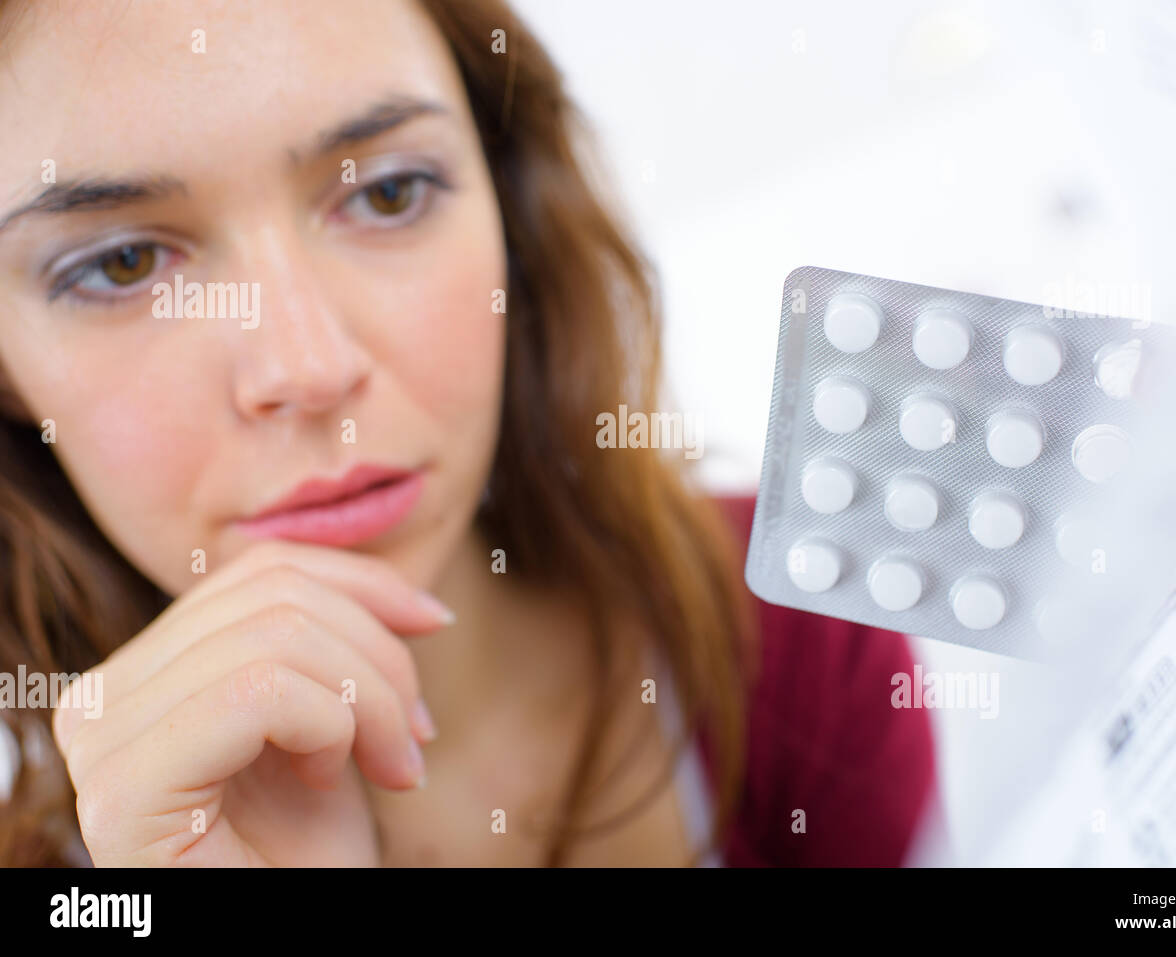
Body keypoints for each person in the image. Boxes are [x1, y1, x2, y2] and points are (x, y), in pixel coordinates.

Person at [0, 0, 937, 866]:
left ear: (513, 218)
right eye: (120, 264)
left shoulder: (797, 620)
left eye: (389, 193)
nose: (309, 367)